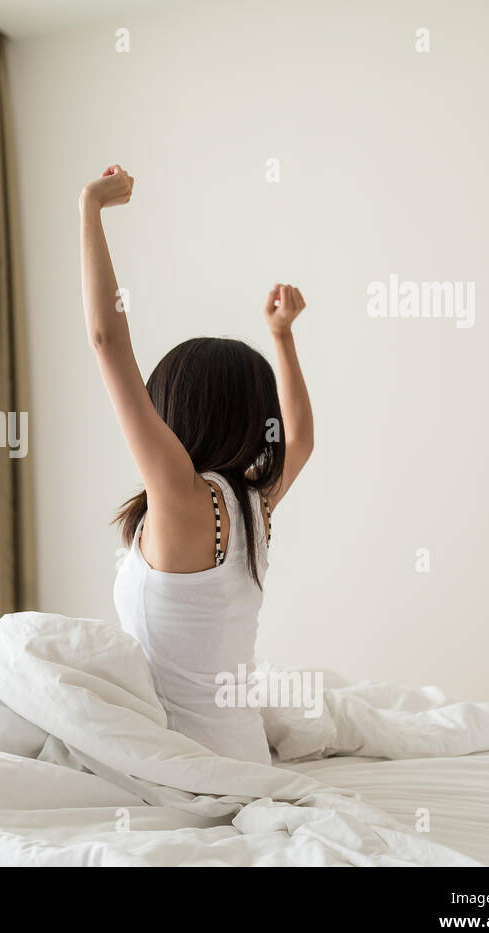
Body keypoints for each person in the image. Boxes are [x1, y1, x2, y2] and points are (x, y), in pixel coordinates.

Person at [81, 164, 314, 763]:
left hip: (182, 772)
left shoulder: (182, 498)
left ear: (173, 411)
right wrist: (282, 338)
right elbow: (302, 441)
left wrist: (90, 209)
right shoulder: (250, 502)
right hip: (243, 759)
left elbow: (109, 343)